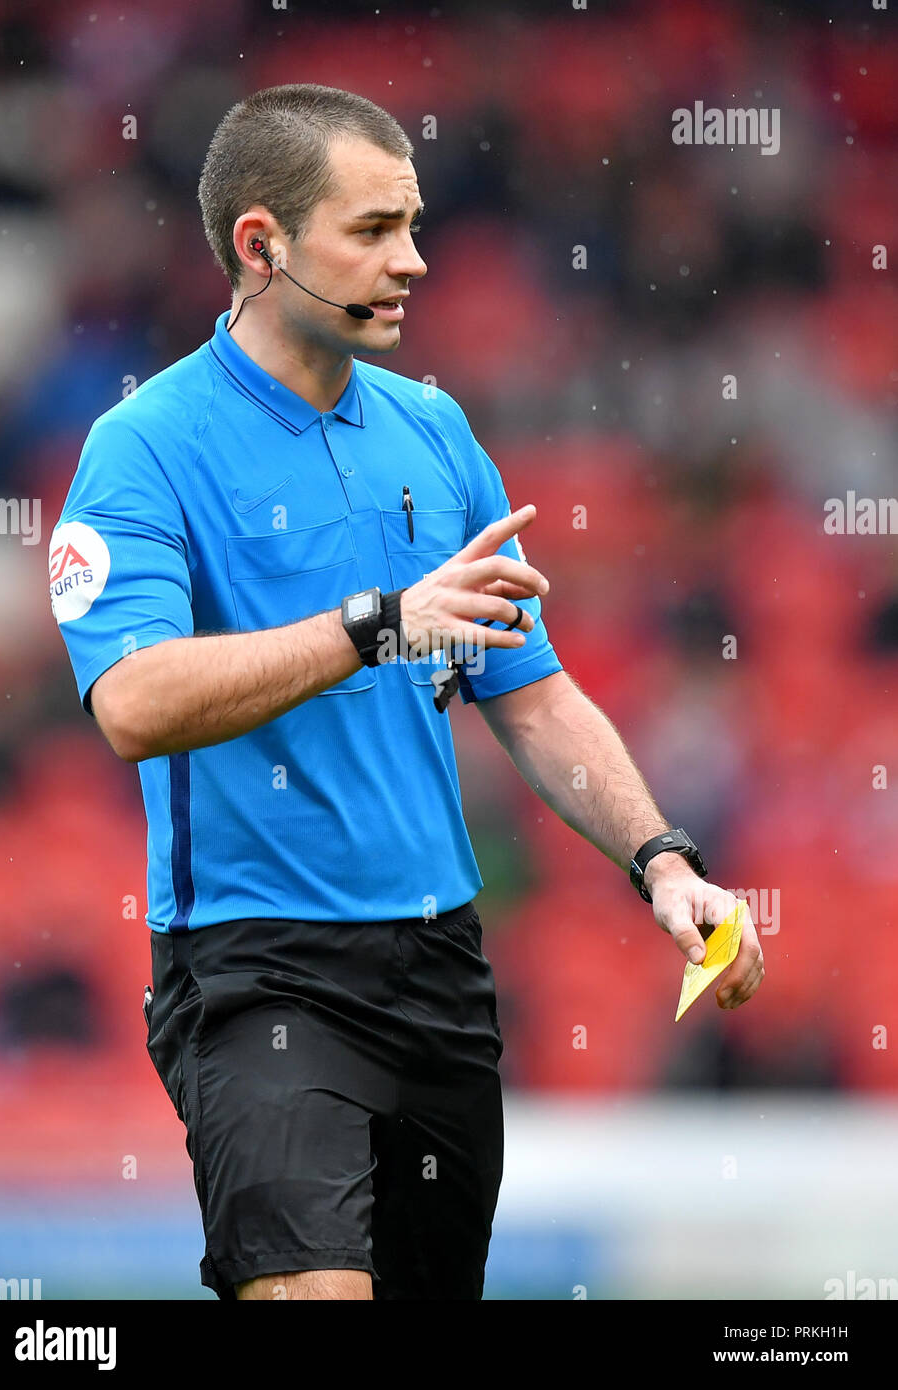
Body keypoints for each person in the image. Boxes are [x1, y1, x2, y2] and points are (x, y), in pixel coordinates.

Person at [48, 83, 764, 1302]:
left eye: (416, 224)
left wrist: (662, 860)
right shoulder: (146, 443)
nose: (415, 260)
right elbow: (131, 700)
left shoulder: (436, 433)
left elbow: (530, 694)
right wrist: (377, 624)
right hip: (256, 963)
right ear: (261, 246)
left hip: (440, 967)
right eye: (374, 231)